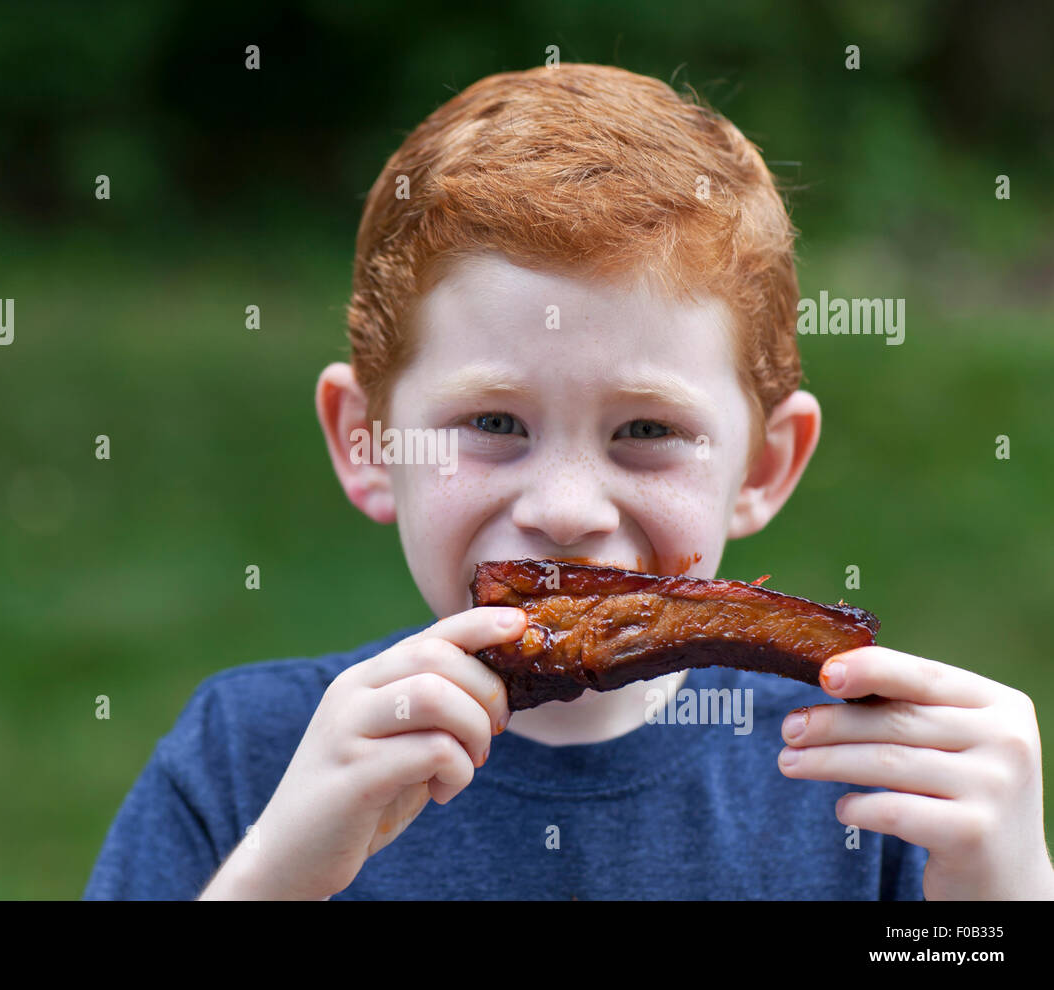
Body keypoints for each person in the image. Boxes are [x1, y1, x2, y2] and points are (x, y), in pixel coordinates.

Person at [84, 63, 1052, 900]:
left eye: (646, 431)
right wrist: (277, 881)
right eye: (494, 424)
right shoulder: (247, 760)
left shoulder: (876, 794)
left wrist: (999, 899)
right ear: (368, 442)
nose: (562, 511)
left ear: (763, 467)